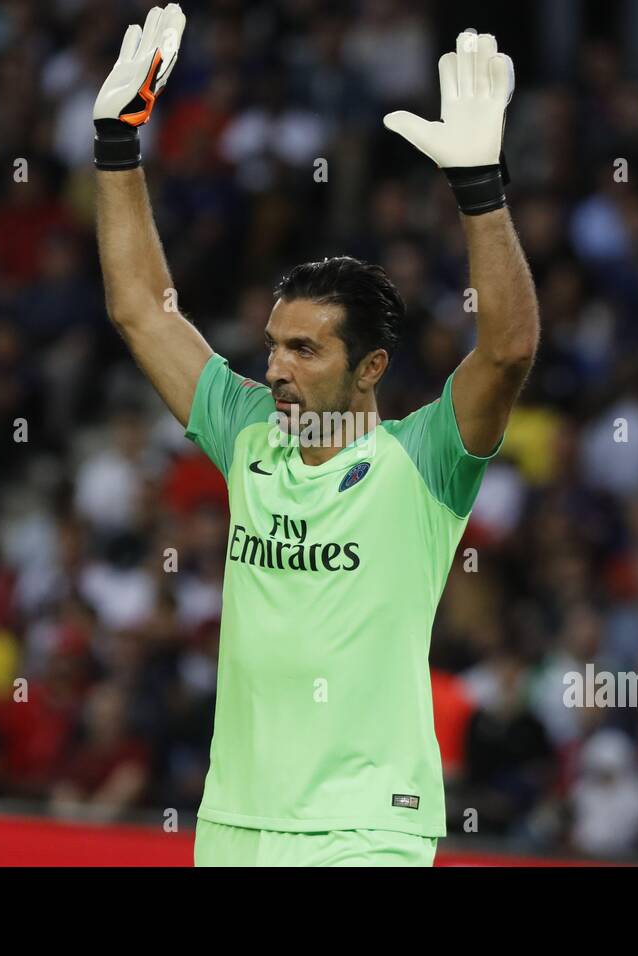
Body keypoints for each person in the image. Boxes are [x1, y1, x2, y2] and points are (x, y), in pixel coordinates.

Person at [91, 5, 538, 866]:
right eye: (273, 346)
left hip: (365, 828)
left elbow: (509, 350)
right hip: (233, 821)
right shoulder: (248, 433)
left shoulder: (424, 463)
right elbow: (142, 309)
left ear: (370, 368)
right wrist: (118, 144)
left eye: (305, 349)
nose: (277, 369)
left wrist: (480, 187)